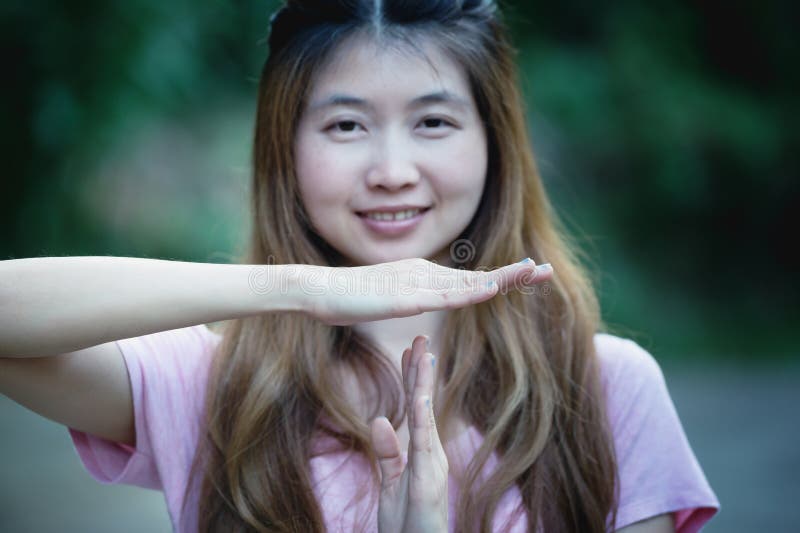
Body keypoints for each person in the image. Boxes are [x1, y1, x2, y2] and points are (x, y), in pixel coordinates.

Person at [0, 1, 720, 531]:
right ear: (285, 149)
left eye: (433, 121)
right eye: (345, 125)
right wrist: (300, 287)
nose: (390, 170)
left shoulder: (602, 388)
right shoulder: (215, 386)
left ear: (495, 143)